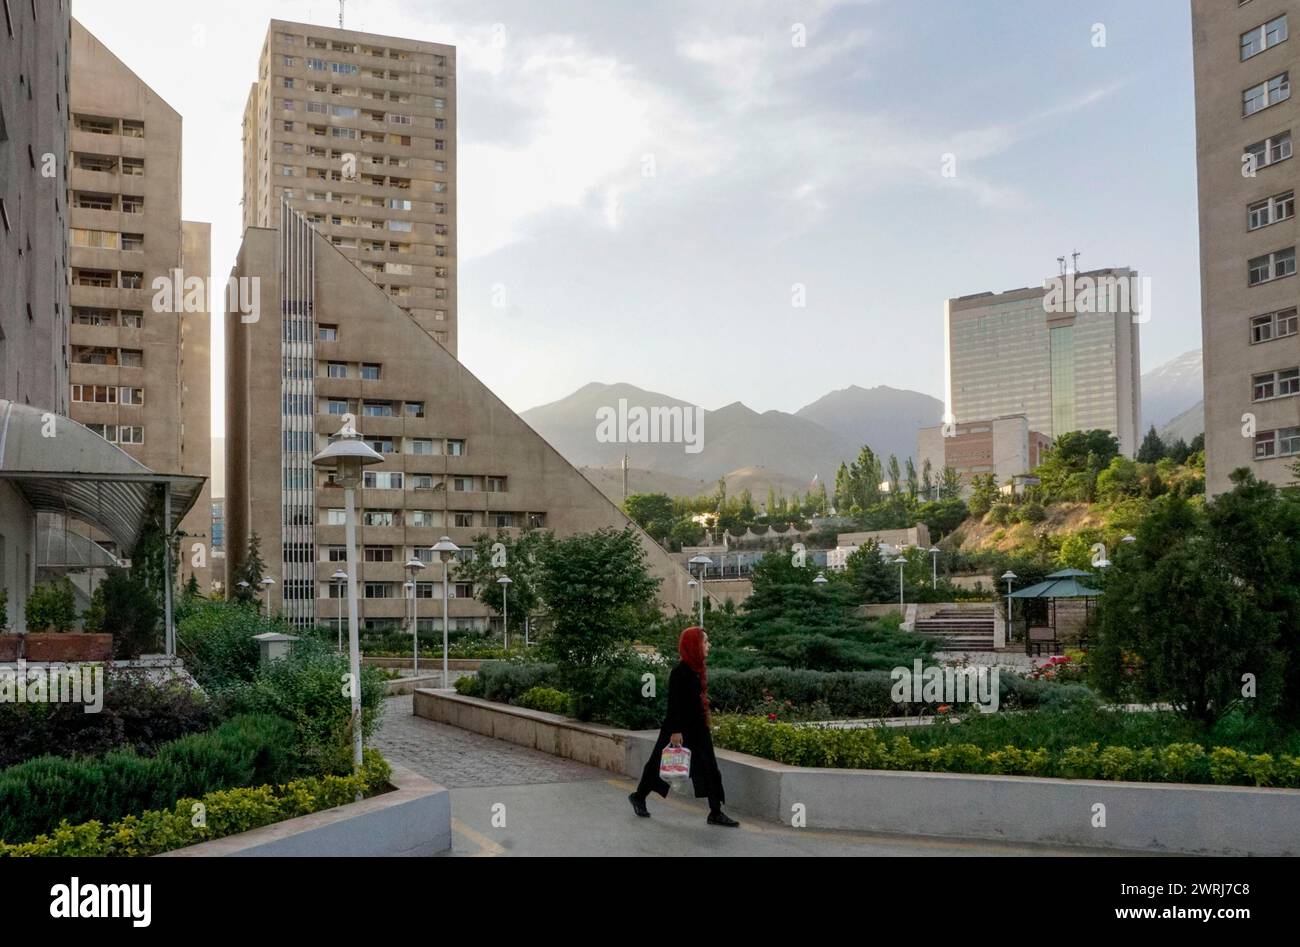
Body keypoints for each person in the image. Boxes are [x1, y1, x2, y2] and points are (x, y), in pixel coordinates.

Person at [628, 626, 739, 827]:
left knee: (710, 769)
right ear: (693, 646)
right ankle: (638, 796)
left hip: (698, 729)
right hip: (678, 729)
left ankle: (715, 812)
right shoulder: (680, 672)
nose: (708, 645)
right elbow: (674, 704)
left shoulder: (698, 670)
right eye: (705, 642)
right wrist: (675, 731)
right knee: (657, 767)